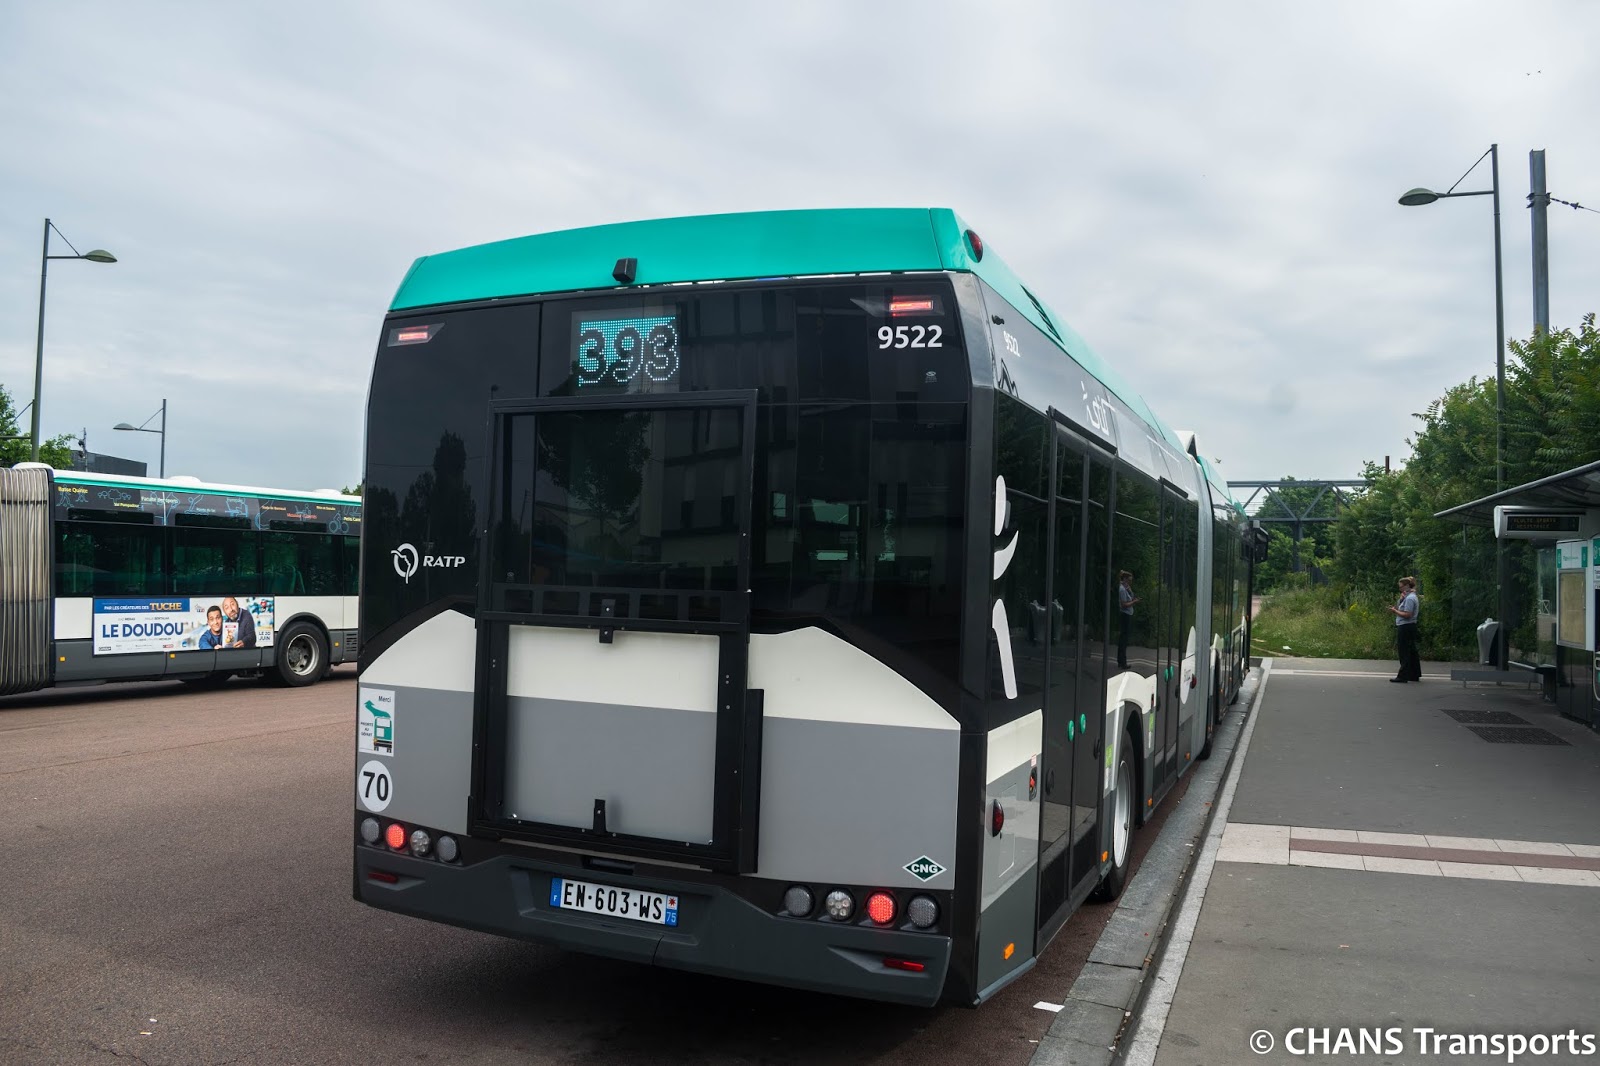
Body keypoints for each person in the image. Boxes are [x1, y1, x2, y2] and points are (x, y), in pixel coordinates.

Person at [1387, 577, 1421, 682]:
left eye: (1401, 587)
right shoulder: (1408, 597)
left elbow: (1407, 614)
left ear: (1406, 586)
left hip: (1406, 626)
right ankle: (1414, 674)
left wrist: (1395, 611)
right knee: (1411, 651)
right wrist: (1401, 599)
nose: (1400, 589)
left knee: (1404, 651)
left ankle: (1403, 676)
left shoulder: (1410, 598)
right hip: (1409, 626)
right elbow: (1401, 606)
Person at [1117, 571, 1140, 669]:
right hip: (1125, 615)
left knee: (1125, 638)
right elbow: (1124, 604)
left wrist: (1130, 591)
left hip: (1128, 614)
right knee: (1124, 639)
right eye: (1129, 580)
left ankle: (1122, 660)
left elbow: (1131, 596)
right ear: (1125, 579)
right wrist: (1134, 602)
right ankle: (1122, 662)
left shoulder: (1125, 589)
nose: (1130, 582)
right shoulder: (1122, 590)